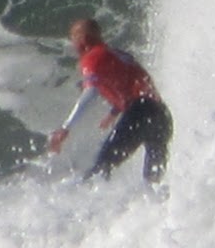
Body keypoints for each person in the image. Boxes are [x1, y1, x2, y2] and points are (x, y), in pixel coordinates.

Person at [47, 17, 172, 182]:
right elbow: (134, 85)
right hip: (162, 116)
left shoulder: (92, 57)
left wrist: (66, 127)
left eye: (73, 39)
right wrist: (114, 112)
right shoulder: (118, 55)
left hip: (142, 111)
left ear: (82, 40)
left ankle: (85, 204)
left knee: (101, 168)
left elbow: (91, 91)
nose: (73, 46)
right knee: (153, 180)